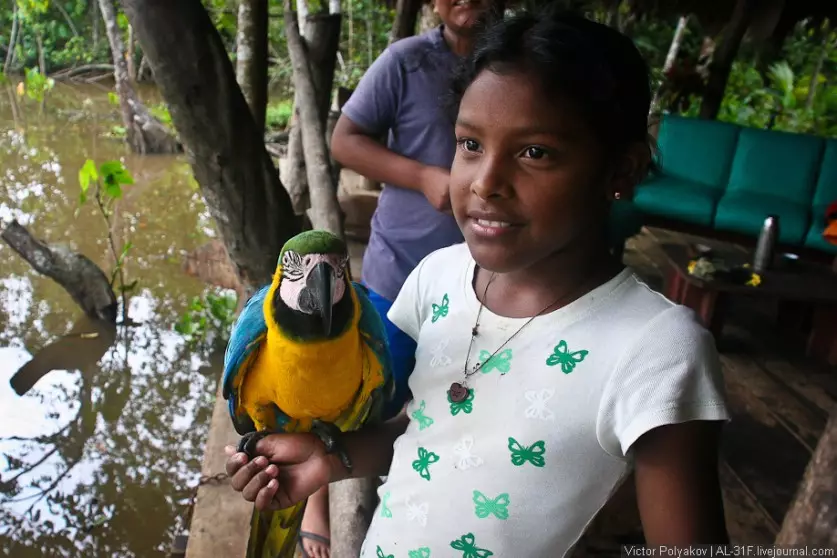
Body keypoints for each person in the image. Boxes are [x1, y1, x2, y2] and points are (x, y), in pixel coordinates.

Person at [225, 6, 732, 556]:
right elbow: (426, 434)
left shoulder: (658, 351)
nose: (486, 183)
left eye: (535, 153)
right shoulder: (436, 278)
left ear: (621, 172)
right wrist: (332, 459)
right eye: (469, 145)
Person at [296, 0, 497, 556]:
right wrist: (424, 175)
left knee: (453, 394)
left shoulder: (509, 64)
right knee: (363, 389)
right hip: (401, 266)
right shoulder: (404, 62)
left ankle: (423, 488)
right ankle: (319, 493)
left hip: (488, 281)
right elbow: (345, 140)